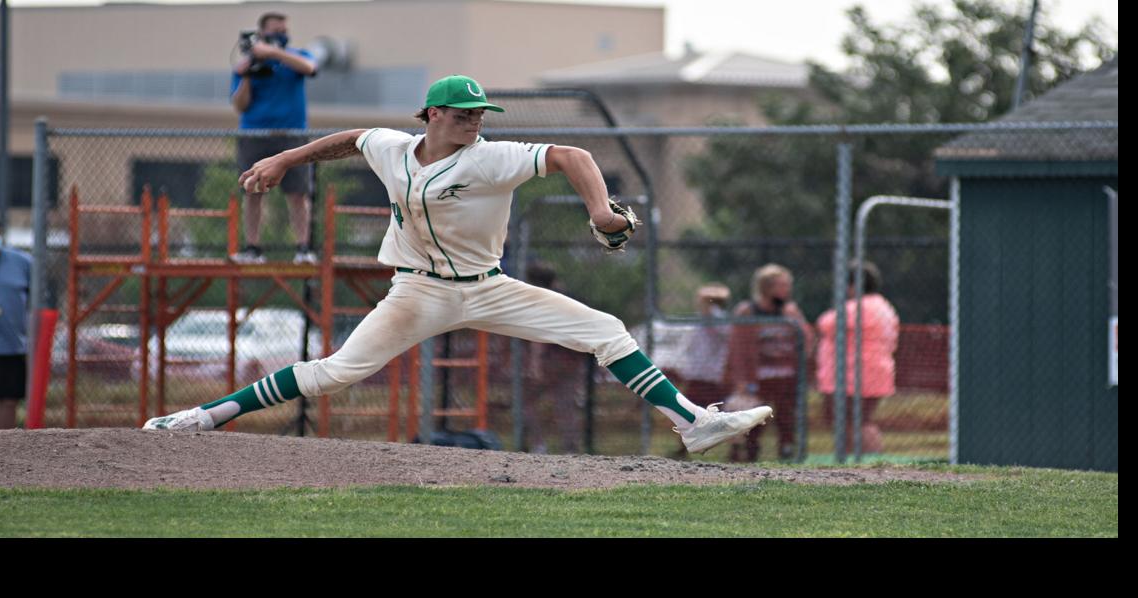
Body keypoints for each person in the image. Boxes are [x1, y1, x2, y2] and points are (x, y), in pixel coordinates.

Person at [142, 74, 772, 457]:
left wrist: (601, 212)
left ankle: (692, 423)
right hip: (417, 292)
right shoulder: (394, 147)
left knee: (605, 329)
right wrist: (283, 160)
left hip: (489, 288)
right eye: (465, 113)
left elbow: (574, 154)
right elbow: (351, 139)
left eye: (481, 114)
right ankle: (202, 417)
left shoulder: (490, 157)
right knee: (335, 374)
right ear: (433, 114)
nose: (475, 122)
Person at [229, 11, 319, 264]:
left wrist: (274, 53)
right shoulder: (246, 65)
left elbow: (310, 68)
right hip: (254, 134)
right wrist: (249, 72)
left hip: (292, 135)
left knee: (298, 193)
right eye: (275, 30)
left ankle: (302, 248)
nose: (281, 34)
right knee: (253, 191)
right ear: (262, 33)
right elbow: (240, 105)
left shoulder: (296, 57)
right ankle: (253, 248)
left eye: (283, 30)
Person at [726, 264, 812, 461]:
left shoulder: (790, 312)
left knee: (786, 420)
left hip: (786, 378)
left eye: (787, 286)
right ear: (766, 288)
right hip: (758, 379)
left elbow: (807, 341)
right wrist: (741, 379)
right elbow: (738, 349)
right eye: (781, 286)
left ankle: (788, 454)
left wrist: (794, 318)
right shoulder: (748, 311)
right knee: (753, 420)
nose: (786, 291)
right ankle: (748, 455)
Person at [815, 261, 900, 454]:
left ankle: (867, 462)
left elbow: (826, 324)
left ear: (853, 285)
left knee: (855, 421)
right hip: (876, 372)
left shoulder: (858, 307)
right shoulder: (883, 306)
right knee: (858, 420)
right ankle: (860, 461)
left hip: (855, 374)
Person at [667, 283, 733, 457]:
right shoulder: (699, 320)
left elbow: (725, 333)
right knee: (686, 412)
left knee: (719, 414)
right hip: (697, 375)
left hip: (712, 377)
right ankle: (684, 447)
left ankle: (734, 449)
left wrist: (710, 313)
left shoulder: (718, 319)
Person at [0, 219, 31, 430]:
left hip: (11, 347)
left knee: (9, 399)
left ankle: (5, 446)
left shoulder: (22, 262)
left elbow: (39, 300)